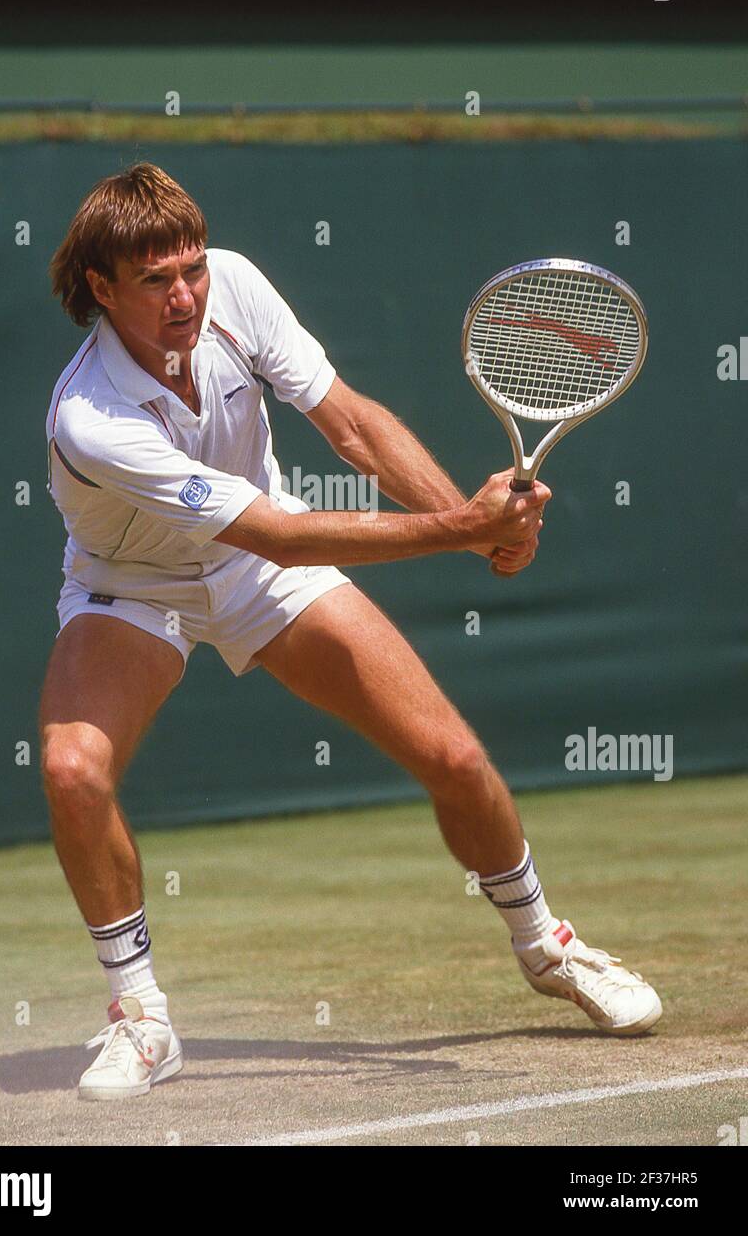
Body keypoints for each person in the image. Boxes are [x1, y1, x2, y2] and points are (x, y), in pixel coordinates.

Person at [42, 163, 662, 1101]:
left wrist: (465, 517)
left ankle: (549, 948)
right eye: (155, 279)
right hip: (134, 586)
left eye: (193, 268)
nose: (185, 295)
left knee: (454, 758)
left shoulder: (237, 288)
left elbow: (353, 429)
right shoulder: (91, 416)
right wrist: (464, 530)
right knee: (71, 771)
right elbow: (277, 533)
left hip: (256, 575)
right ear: (101, 286)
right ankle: (141, 1018)